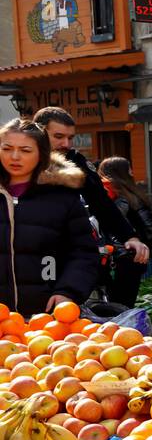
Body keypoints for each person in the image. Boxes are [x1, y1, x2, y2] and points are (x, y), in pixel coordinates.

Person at [0, 118, 98, 315]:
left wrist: (68, 291)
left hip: (48, 317)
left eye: (26, 150)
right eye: (7, 148)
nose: (15, 156)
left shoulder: (63, 197)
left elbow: (83, 253)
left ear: (41, 154)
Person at [33, 107, 150, 265]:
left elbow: (101, 203)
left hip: (69, 249)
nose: (66, 144)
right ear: (39, 133)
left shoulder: (77, 161)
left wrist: (130, 237)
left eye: (70, 138)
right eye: (58, 136)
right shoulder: (23, 161)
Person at [97, 157, 152, 307]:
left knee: (108, 303)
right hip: (129, 256)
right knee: (123, 304)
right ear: (124, 172)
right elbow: (150, 226)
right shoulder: (130, 198)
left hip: (105, 256)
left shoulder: (101, 197)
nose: (132, 172)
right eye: (129, 169)